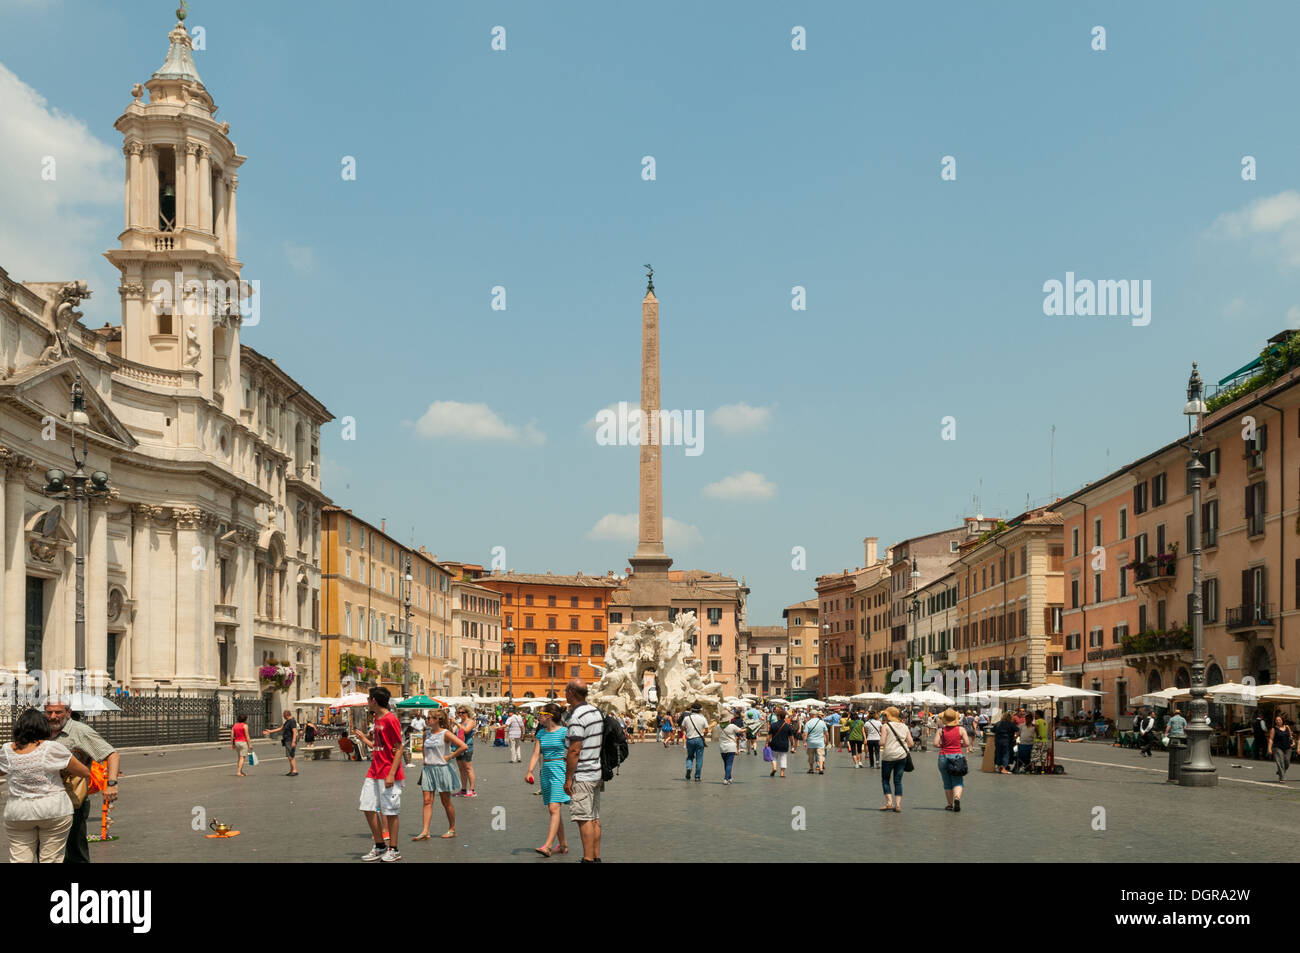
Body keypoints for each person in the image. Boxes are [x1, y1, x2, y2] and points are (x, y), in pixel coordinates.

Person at [0, 708, 90, 864]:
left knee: (19, 859)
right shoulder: (51, 748)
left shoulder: (7, 749)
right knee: (51, 859)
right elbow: (84, 772)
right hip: (53, 809)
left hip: (19, 811)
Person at [45, 698, 118, 864]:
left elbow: (111, 754)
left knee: (75, 849)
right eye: (49, 712)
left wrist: (112, 783)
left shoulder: (80, 731)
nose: (53, 716)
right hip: (45, 800)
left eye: (58, 712)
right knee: (45, 850)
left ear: (68, 713)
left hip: (73, 799)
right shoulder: (41, 730)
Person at [352, 686, 405, 862]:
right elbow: (378, 745)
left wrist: (391, 774)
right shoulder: (377, 719)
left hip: (388, 771)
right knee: (367, 806)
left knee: (390, 811)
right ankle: (380, 845)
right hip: (374, 770)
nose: (367, 702)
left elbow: (399, 748)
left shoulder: (391, 719)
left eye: (368, 699)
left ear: (374, 700)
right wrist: (364, 739)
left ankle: (394, 849)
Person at [563, 679, 604, 863]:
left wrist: (568, 778)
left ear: (571, 692)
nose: (565, 693)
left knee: (583, 818)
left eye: (566, 690)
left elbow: (574, 750)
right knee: (594, 817)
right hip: (596, 771)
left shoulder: (577, 716)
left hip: (583, 774)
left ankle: (587, 859)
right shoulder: (596, 712)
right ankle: (596, 856)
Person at [412, 709, 467, 841]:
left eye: (429, 718)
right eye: (427, 717)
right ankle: (425, 831)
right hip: (428, 770)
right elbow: (424, 749)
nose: (427, 720)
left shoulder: (445, 733)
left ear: (437, 720)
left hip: (442, 769)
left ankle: (452, 828)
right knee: (427, 801)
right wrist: (425, 759)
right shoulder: (426, 734)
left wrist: (451, 756)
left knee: (445, 801)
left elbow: (463, 746)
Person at [526, 703, 571, 856]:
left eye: (541, 713)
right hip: (546, 771)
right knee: (554, 810)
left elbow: (574, 751)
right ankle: (563, 844)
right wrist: (529, 771)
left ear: (549, 716)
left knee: (553, 808)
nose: (539, 716)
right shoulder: (541, 734)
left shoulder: (565, 732)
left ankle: (548, 846)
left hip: (560, 770)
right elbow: (535, 754)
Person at [934, 709, 970, 811]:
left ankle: (950, 804)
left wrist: (943, 745)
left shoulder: (941, 730)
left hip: (943, 756)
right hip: (957, 757)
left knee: (946, 781)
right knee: (958, 780)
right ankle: (957, 798)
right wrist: (960, 744)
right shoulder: (961, 730)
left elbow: (935, 744)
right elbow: (967, 743)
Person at [879, 706, 912, 812]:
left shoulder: (885, 726)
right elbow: (911, 743)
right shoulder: (904, 727)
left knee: (885, 780)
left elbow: (882, 742)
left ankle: (889, 803)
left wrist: (881, 742)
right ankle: (897, 805)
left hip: (888, 756)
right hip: (902, 756)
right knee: (898, 781)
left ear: (888, 715)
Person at [262, 710, 299, 777]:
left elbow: (294, 731)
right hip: (287, 740)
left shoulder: (292, 721)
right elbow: (280, 728)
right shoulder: (287, 721)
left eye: (283, 715)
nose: (283, 717)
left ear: (286, 715)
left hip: (290, 740)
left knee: (291, 756)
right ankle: (291, 770)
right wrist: (270, 731)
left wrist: (293, 741)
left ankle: (294, 770)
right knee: (289, 755)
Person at [680, 703, 710, 782]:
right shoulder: (703, 718)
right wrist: (704, 735)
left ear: (691, 710)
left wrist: (687, 732)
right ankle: (697, 776)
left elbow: (682, 728)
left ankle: (689, 767)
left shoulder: (687, 718)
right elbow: (707, 729)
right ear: (700, 710)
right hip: (699, 739)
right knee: (699, 758)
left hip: (689, 739)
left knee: (690, 756)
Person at [454, 707, 478, 798]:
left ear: (467, 712)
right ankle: (463, 789)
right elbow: (451, 731)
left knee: (468, 768)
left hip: (467, 747)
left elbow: (466, 730)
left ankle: (472, 790)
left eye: (462, 712)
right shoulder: (459, 723)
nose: (460, 714)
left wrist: (456, 723)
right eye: (458, 712)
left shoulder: (470, 722)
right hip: (458, 747)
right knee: (461, 769)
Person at [767, 708, 794, 778]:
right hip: (784, 744)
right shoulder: (788, 726)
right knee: (783, 758)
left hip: (774, 744)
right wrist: (792, 744)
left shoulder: (773, 725)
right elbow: (791, 737)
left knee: (773, 757)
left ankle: (774, 768)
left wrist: (767, 742)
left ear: (778, 716)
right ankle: (782, 773)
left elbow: (769, 736)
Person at [718, 711, 743, 784]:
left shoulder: (718, 726)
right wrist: (749, 728)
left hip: (722, 747)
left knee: (726, 764)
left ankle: (729, 778)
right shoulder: (732, 726)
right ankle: (725, 779)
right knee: (729, 764)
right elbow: (741, 731)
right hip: (731, 747)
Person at [1268, 714, 1292, 783]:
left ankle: (1280, 771)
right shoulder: (1274, 729)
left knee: (1287, 762)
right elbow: (1271, 739)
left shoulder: (1287, 727)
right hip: (1277, 747)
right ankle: (1282, 778)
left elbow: (1290, 736)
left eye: (1279, 720)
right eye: (1276, 720)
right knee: (1280, 762)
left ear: (1282, 721)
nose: (1278, 721)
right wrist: (1269, 748)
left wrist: (1292, 742)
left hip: (1287, 747)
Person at [804, 709, 828, 774]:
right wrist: (827, 741)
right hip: (820, 742)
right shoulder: (822, 722)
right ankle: (820, 768)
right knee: (820, 755)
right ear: (816, 715)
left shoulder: (808, 723)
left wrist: (804, 742)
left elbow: (805, 734)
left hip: (811, 742)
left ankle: (811, 769)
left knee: (811, 755)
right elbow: (826, 733)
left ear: (811, 715)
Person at [1029, 709, 1050, 773]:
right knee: (1043, 755)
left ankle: (1032, 770)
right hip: (1045, 741)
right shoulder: (1045, 721)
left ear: (1038, 715)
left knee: (1034, 754)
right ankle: (1043, 770)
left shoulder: (1037, 721)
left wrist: (1038, 735)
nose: (1034, 716)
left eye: (1035, 714)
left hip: (1038, 740)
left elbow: (1036, 728)